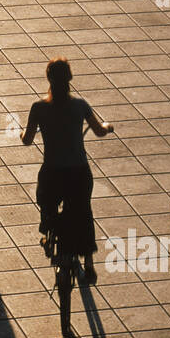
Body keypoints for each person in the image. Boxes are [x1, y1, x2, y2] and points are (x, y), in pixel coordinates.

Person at [22, 58, 114, 285]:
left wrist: (21, 135)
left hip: (53, 173)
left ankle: (48, 228)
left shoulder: (39, 108)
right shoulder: (81, 106)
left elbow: (28, 140)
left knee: (46, 200)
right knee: (83, 212)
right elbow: (99, 131)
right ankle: (90, 265)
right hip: (78, 173)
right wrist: (107, 127)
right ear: (70, 78)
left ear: (48, 78)